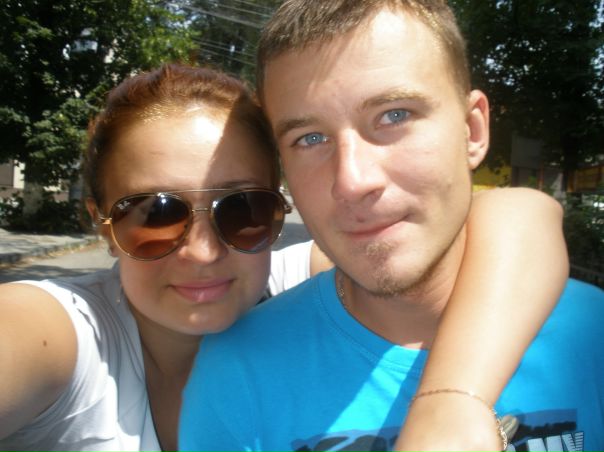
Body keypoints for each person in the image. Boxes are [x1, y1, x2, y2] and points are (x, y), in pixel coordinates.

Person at [0, 63, 565, 451]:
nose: (203, 252)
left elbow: (519, 213)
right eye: (154, 214)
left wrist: (453, 402)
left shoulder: (292, 284)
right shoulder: (58, 337)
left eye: (243, 209)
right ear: (101, 221)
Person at [179, 1, 604, 451]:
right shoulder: (240, 374)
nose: (353, 181)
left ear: (472, 131)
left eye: (394, 115)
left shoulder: (591, 335)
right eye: (310, 138)